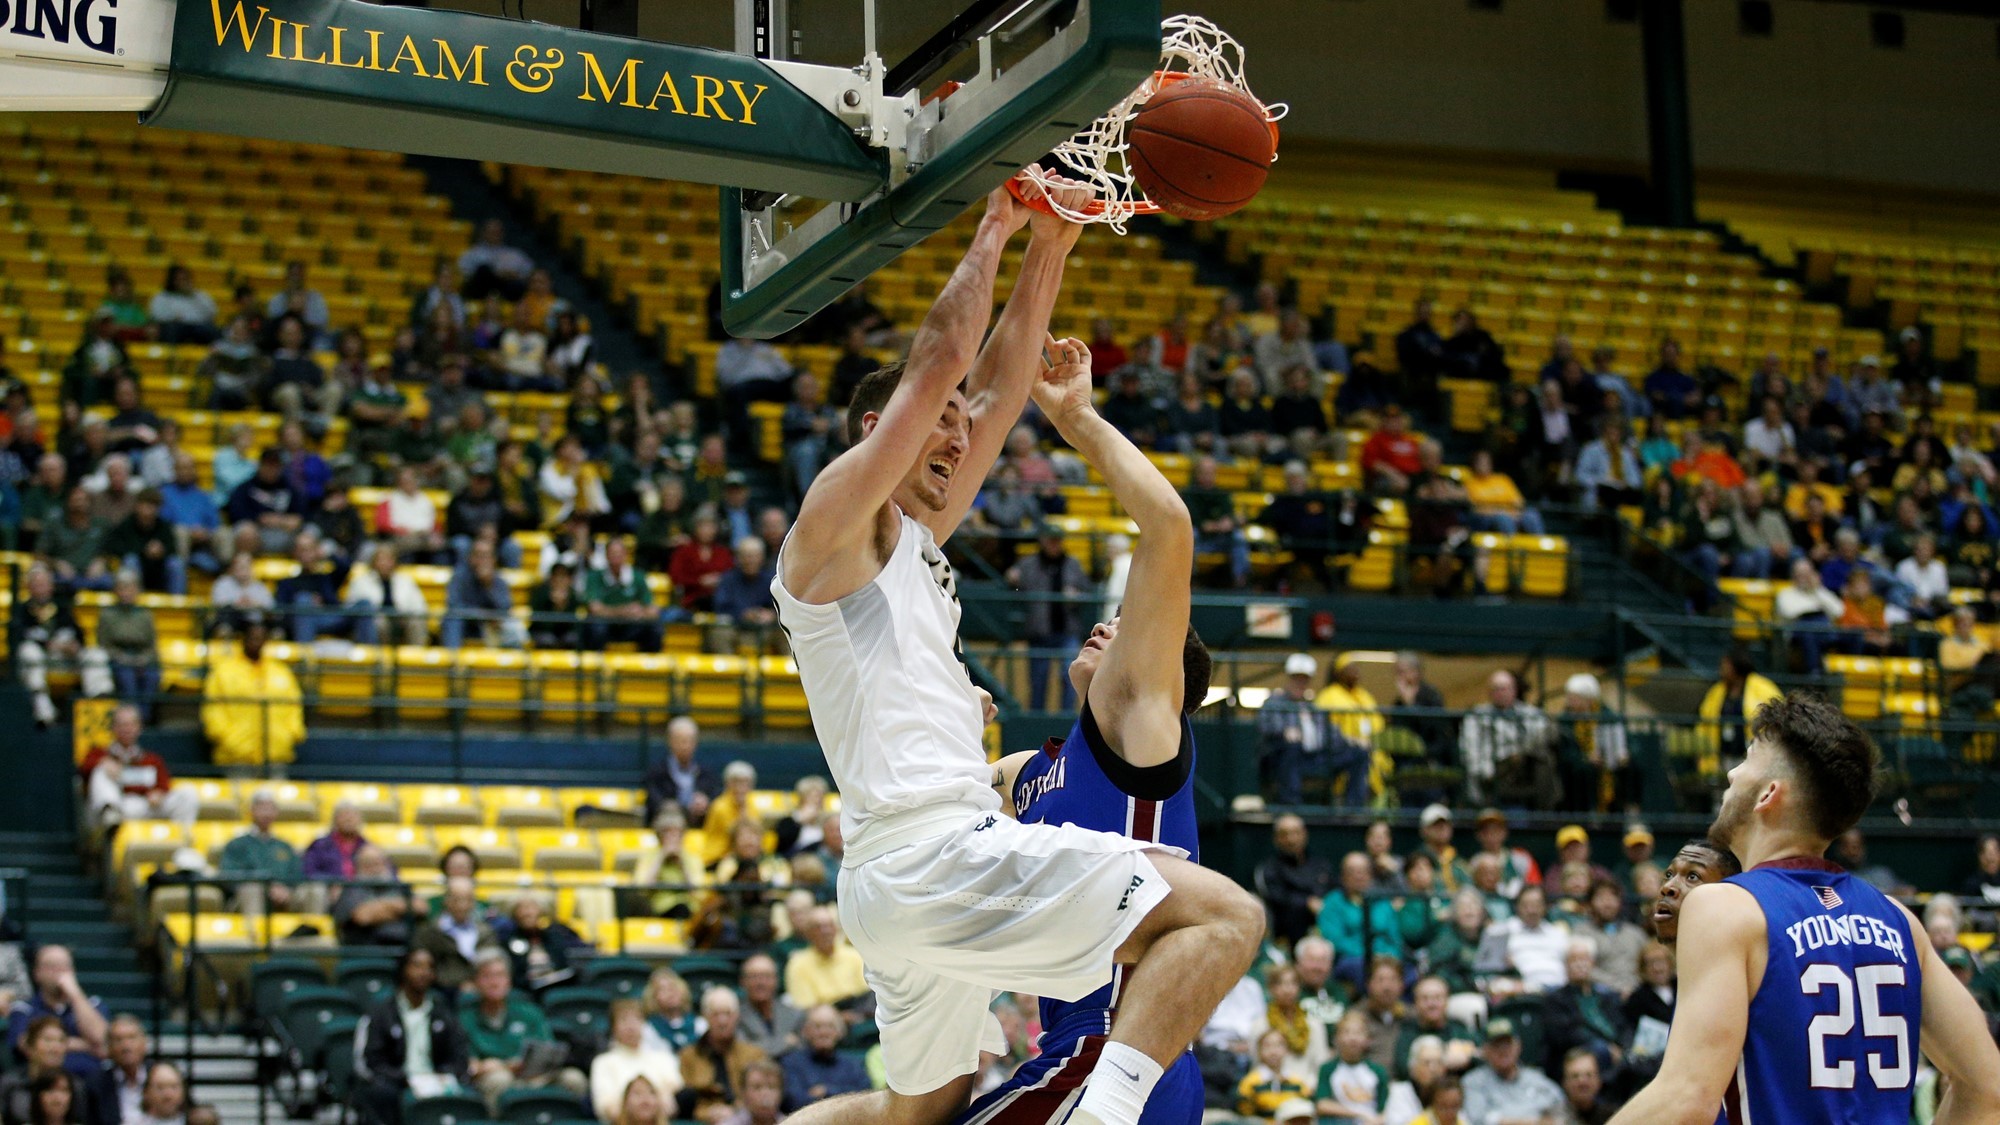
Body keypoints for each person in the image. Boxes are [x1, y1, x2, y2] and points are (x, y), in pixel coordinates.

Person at [772, 186, 1263, 1125]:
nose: (963, 434)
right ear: (883, 436)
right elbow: (947, 362)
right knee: (1229, 915)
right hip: (933, 855)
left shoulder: (909, 548)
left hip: (899, 881)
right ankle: (1105, 1113)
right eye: (939, 425)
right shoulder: (831, 532)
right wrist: (998, 216)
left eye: (961, 427)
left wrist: (1054, 243)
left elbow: (994, 393)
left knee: (914, 1118)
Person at [1607, 695, 2000, 1124]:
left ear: (1769, 794)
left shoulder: (1726, 906)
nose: (1732, 772)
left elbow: (1686, 1098)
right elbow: (1986, 1086)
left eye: (1748, 758)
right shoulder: (1899, 921)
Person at [355, 949, 471, 1125]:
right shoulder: (381, 1012)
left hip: (435, 1081)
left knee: (468, 1093)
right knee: (378, 1092)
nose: (423, 972)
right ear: (403, 970)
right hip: (397, 1082)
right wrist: (407, 1080)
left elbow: (459, 1055)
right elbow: (371, 1061)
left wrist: (444, 1075)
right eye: (417, 966)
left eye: (429, 967)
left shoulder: (443, 1012)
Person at [1260, 653, 1369, 807]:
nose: (1300, 683)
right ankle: (1292, 805)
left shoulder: (1314, 707)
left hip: (1317, 756)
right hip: (1288, 756)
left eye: (1304, 679)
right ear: (1289, 678)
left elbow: (1330, 733)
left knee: (1359, 752)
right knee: (1292, 748)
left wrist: (1350, 740)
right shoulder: (1275, 702)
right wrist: (1284, 731)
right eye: (1296, 678)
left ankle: (1354, 806)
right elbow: (1267, 725)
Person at [200, 616, 304, 767]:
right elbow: (213, 710)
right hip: (237, 754)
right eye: (252, 637)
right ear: (243, 639)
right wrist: (227, 739)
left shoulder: (280, 671)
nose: (256, 641)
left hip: (276, 752)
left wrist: (291, 734)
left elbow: (295, 706)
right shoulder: (223, 671)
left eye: (261, 638)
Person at [677, 989, 767, 1124]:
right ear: (705, 1017)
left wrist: (736, 1111)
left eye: (728, 1014)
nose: (722, 1021)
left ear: (737, 1016)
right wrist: (708, 1113)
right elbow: (686, 1100)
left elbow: (762, 1094)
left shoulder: (754, 1055)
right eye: (715, 1014)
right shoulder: (688, 1056)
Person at [7, 947, 107, 1068]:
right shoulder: (24, 1008)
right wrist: (88, 1046)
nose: (59, 972)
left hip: (91, 1079)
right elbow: (24, 1043)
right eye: (51, 966)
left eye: (65, 967)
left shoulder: (92, 1004)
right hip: (42, 1079)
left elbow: (103, 1040)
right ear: (37, 973)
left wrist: (75, 994)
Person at [1543, 940, 1629, 1077]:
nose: (1579, 964)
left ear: (1592, 964)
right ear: (1565, 966)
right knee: (1600, 1051)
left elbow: (1623, 1025)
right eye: (1574, 960)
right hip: (1581, 1053)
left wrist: (1624, 1046)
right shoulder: (1556, 999)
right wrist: (1607, 1047)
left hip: (1616, 1049)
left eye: (1584, 959)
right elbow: (1564, 1034)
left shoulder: (1607, 996)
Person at [1318, 853, 1402, 992]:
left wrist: (1389, 957)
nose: (1358, 876)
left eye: (1363, 871)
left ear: (1371, 875)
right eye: (1352, 872)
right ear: (1343, 877)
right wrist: (1370, 956)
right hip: (1351, 960)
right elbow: (1334, 940)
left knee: (1409, 972)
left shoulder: (1383, 902)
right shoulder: (1333, 902)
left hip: (1385, 959)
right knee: (1362, 969)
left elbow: (1395, 938)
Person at [592, 1000, 684, 1124]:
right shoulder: (603, 1062)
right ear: (614, 1028)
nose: (631, 1026)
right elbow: (605, 1106)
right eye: (624, 1020)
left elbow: (677, 1090)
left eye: (636, 1019)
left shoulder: (663, 1058)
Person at [1459, 1019, 1562, 1125]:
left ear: (1518, 1046)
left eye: (1507, 1044)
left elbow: (1561, 1107)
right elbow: (1477, 1119)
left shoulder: (1536, 1078)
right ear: (1485, 1050)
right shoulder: (1473, 1082)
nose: (1503, 1050)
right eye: (1496, 1045)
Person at [218, 789, 305, 914]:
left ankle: (312, 931)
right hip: (248, 897)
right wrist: (266, 888)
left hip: (284, 897)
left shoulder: (285, 846)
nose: (266, 814)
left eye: (270, 809)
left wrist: (286, 890)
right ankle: (256, 932)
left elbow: (297, 873)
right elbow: (228, 876)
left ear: (276, 813)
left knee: (310, 892)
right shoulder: (237, 844)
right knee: (252, 890)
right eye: (262, 808)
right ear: (252, 811)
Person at [1254, 815, 1333, 949]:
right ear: (1276, 839)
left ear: (1304, 834)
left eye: (1296, 833)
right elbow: (1277, 899)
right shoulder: (1269, 869)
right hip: (1287, 935)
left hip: (1327, 932)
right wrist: (1307, 903)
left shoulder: (1321, 865)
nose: (1291, 839)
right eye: (1284, 834)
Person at [411, 877, 499, 991]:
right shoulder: (430, 931)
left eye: (468, 899)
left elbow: (490, 964)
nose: (462, 905)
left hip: (479, 991)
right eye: (456, 899)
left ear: (474, 902)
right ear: (446, 900)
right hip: (440, 990)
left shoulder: (486, 932)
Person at [779, 1007, 869, 1112]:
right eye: (817, 1027)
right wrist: (843, 1095)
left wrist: (827, 1091)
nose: (823, 1032)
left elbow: (865, 1097)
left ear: (840, 1032)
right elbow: (793, 1102)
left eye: (830, 1026)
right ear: (806, 1031)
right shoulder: (791, 1063)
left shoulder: (853, 1065)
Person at [781, 909, 868, 1015]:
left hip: (859, 1011)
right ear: (808, 933)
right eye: (818, 927)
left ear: (836, 929)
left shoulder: (854, 955)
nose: (825, 931)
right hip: (823, 1019)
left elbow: (866, 992)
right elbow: (805, 1007)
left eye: (829, 926)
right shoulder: (797, 964)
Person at [1313, 1012, 1388, 1124]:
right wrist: (1359, 1113)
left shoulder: (1378, 1071)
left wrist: (1377, 1119)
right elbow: (1322, 1104)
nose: (1352, 1038)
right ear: (1337, 1038)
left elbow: (1384, 1109)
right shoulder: (1327, 1069)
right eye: (1346, 1032)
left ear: (1368, 1039)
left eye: (1358, 1033)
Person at [644, 718, 720, 827]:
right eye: (681, 740)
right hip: (667, 829)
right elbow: (654, 803)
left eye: (690, 740)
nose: (686, 746)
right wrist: (678, 808)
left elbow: (716, 797)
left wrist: (705, 802)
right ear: (670, 741)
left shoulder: (706, 773)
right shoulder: (656, 773)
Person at [737, 955, 805, 1058]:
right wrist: (784, 1043)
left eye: (767, 977)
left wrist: (760, 1044)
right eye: (754, 977)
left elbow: (804, 1049)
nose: (761, 983)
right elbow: (743, 1052)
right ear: (743, 982)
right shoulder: (735, 1016)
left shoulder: (794, 1014)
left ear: (776, 980)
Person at [1557, 1050, 1618, 1125]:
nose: (1582, 1082)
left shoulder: (1614, 1116)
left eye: (1588, 1075)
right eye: (1575, 1076)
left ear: (1599, 1081)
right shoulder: (1552, 1119)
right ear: (1565, 1083)